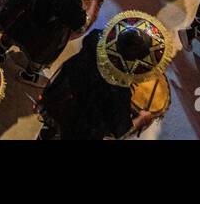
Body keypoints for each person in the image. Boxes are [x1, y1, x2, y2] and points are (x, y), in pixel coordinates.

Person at [37, 10, 173, 140]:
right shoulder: (119, 94)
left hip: (59, 93)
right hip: (79, 128)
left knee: (50, 126)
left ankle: (45, 133)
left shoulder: (95, 39)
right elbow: (120, 129)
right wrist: (141, 119)